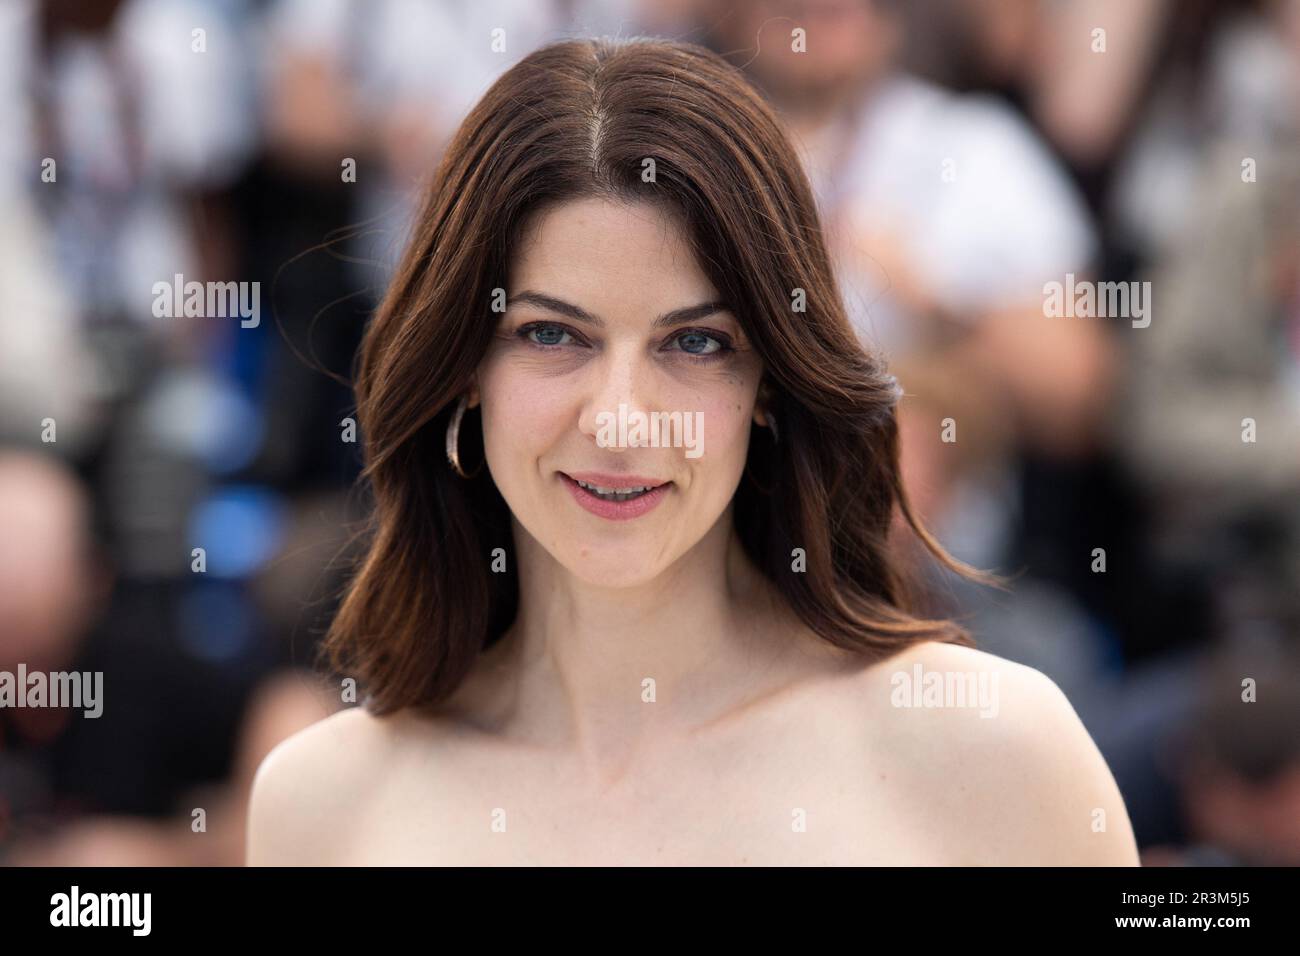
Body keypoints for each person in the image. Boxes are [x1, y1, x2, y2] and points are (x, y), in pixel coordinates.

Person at [246, 37, 1139, 866]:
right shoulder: (323, 802)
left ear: (772, 386)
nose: (625, 421)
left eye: (696, 344)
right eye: (554, 335)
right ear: (464, 367)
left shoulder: (995, 751)